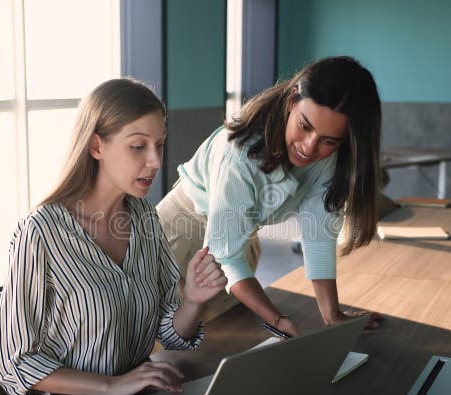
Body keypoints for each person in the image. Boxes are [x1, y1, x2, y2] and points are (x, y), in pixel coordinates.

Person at [0, 78, 227, 395]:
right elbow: (12, 363)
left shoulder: (144, 215)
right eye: (138, 146)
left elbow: (169, 333)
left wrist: (193, 301)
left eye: (159, 145)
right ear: (96, 146)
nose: (155, 161)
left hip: (136, 393)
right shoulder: (40, 232)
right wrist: (111, 386)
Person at [156, 56, 383, 337]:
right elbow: (225, 256)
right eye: (305, 126)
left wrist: (332, 315)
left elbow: (318, 233)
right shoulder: (238, 153)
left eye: (329, 140)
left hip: (238, 245)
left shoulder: (329, 158)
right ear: (292, 101)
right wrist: (277, 320)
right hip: (175, 239)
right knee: (157, 344)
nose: (309, 148)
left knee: (216, 341)